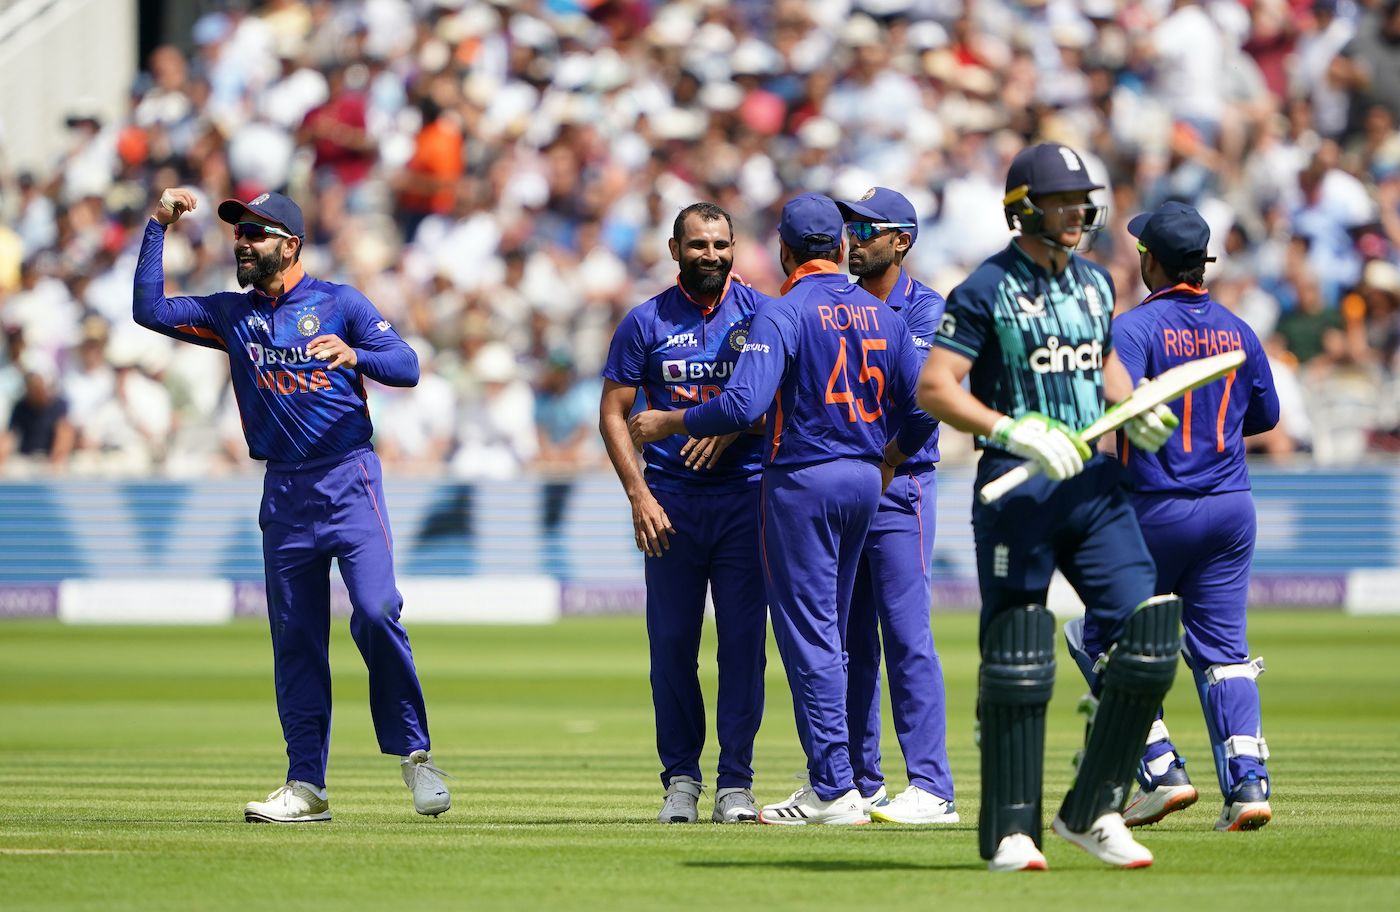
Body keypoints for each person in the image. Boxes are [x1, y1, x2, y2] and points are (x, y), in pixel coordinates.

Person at [133, 188, 450, 823]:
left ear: (291, 244)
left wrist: (355, 354)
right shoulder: (231, 313)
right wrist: (157, 226)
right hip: (283, 491)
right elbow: (150, 309)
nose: (242, 243)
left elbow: (407, 365)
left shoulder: (339, 303)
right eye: (238, 233)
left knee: (377, 611)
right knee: (296, 639)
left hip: (348, 480)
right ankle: (306, 786)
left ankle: (416, 756)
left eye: (256, 233)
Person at [629, 194, 935, 826]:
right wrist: (890, 456)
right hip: (866, 479)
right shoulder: (882, 314)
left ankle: (833, 786)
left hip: (803, 479)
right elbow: (926, 403)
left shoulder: (783, 310)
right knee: (842, 636)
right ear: (841, 248)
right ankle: (857, 780)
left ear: (784, 252)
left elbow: (744, 405)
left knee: (810, 634)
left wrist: (671, 421)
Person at [917, 143, 1183, 871]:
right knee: (1018, 655)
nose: (1077, 212)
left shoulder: (1096, 282)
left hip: (1093, 487)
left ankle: (1093, 808)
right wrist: (1011, 430)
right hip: (1019, 487)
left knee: (1150, 635)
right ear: (1023, 207)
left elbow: (1104, 364)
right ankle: (1010, 831)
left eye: (1081, 199)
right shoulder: (985, 287)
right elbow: (936, 387)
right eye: (1062, 200)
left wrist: (1136, 406)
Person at [1097, 202, 1279, 832]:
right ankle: (1248, 784)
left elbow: (1117, 401)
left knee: (1099, 639)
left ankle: (1160, 768)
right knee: (1224, 653)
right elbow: (1265, 416)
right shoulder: (1239, 329)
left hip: (1156, 509)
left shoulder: (1134, 328)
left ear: (1150, 260)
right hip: (1230, 508)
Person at [599, 202, 771, 824]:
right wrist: (639, 496)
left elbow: (787, 402)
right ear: (675, 250)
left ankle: (736, 782)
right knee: (672, 644)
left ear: (735, 247)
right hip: (670, 505)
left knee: (743, 646)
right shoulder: (644, 322)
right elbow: (613, 413)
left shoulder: (763, 315)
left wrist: (731, 423)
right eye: (699, 245)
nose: (711, 255)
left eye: (721, 245)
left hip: (746, 499)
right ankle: (680, 779)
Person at [835, 188, 957, 824]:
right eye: (848, 228)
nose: (852, 239)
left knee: (907, 636)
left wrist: (885, 461)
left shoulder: (926, 309)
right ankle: (862, 783)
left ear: (901, 240)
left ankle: (932, 787)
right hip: (849, 485)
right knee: (851, 642)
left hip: (898, 483)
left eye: (866, 230)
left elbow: (923, 400)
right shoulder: (841, 301)